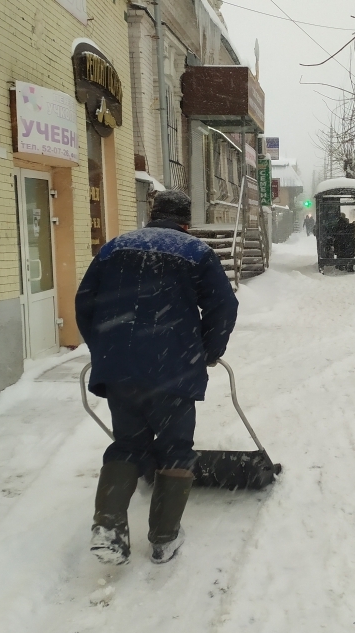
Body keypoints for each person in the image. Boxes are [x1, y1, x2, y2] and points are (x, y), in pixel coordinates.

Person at [75, 189, 238, 566]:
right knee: (175, 447)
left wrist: (103, 348)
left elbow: (86, 301)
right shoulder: (196, 252)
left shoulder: (116, 248)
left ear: (152, 213)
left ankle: (109, 531)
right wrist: (209, 350)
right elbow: (223, 305)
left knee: (128, 444)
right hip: (174, 366)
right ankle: (164, 537)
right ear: (186, 219)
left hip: (120, 367)